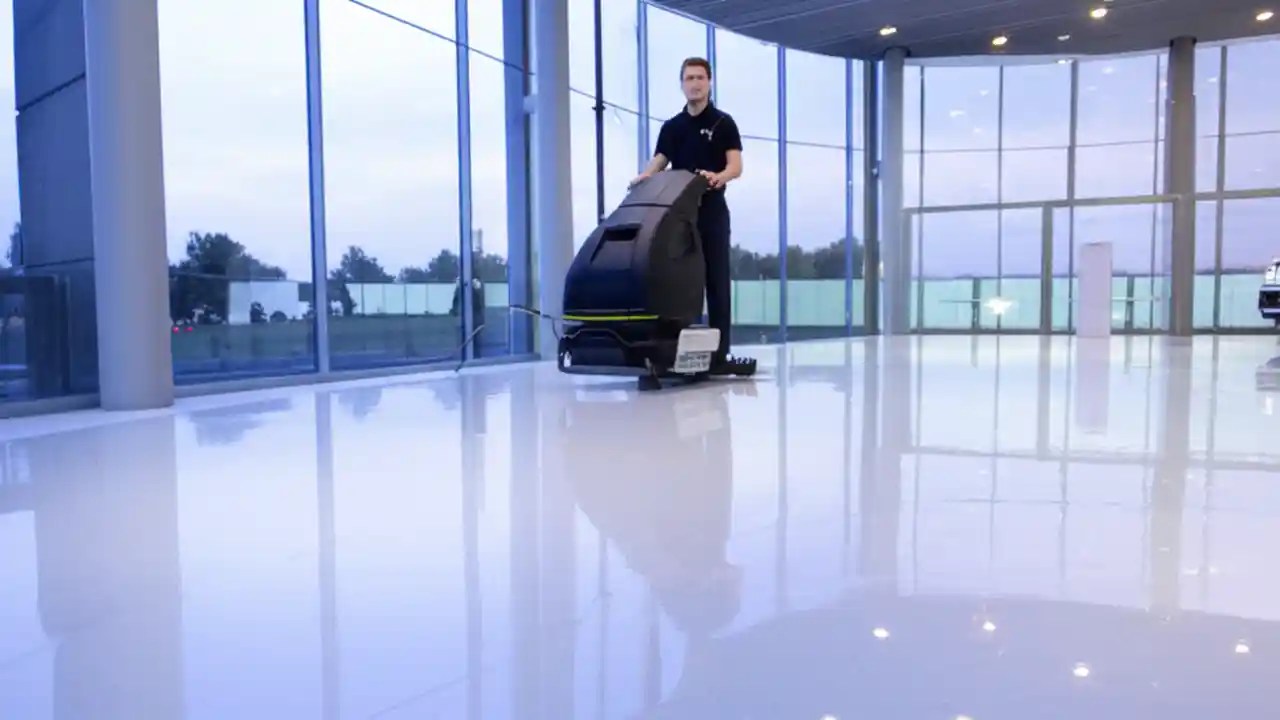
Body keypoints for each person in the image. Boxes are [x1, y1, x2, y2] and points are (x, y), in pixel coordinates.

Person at [631, 57, 756, 376]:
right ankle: (677, 354)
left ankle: (720, 355)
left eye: (700, 78)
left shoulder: (723, 123)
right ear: (682, 84)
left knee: (716, 282)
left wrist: (719, 177)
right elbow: (659, 162)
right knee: (680, 282)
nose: (695, 84)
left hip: (711, 212)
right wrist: (645, 177)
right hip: (679, 216)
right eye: (689, 78)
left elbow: (735, 166)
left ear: (709, 82)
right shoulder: (672, 127)